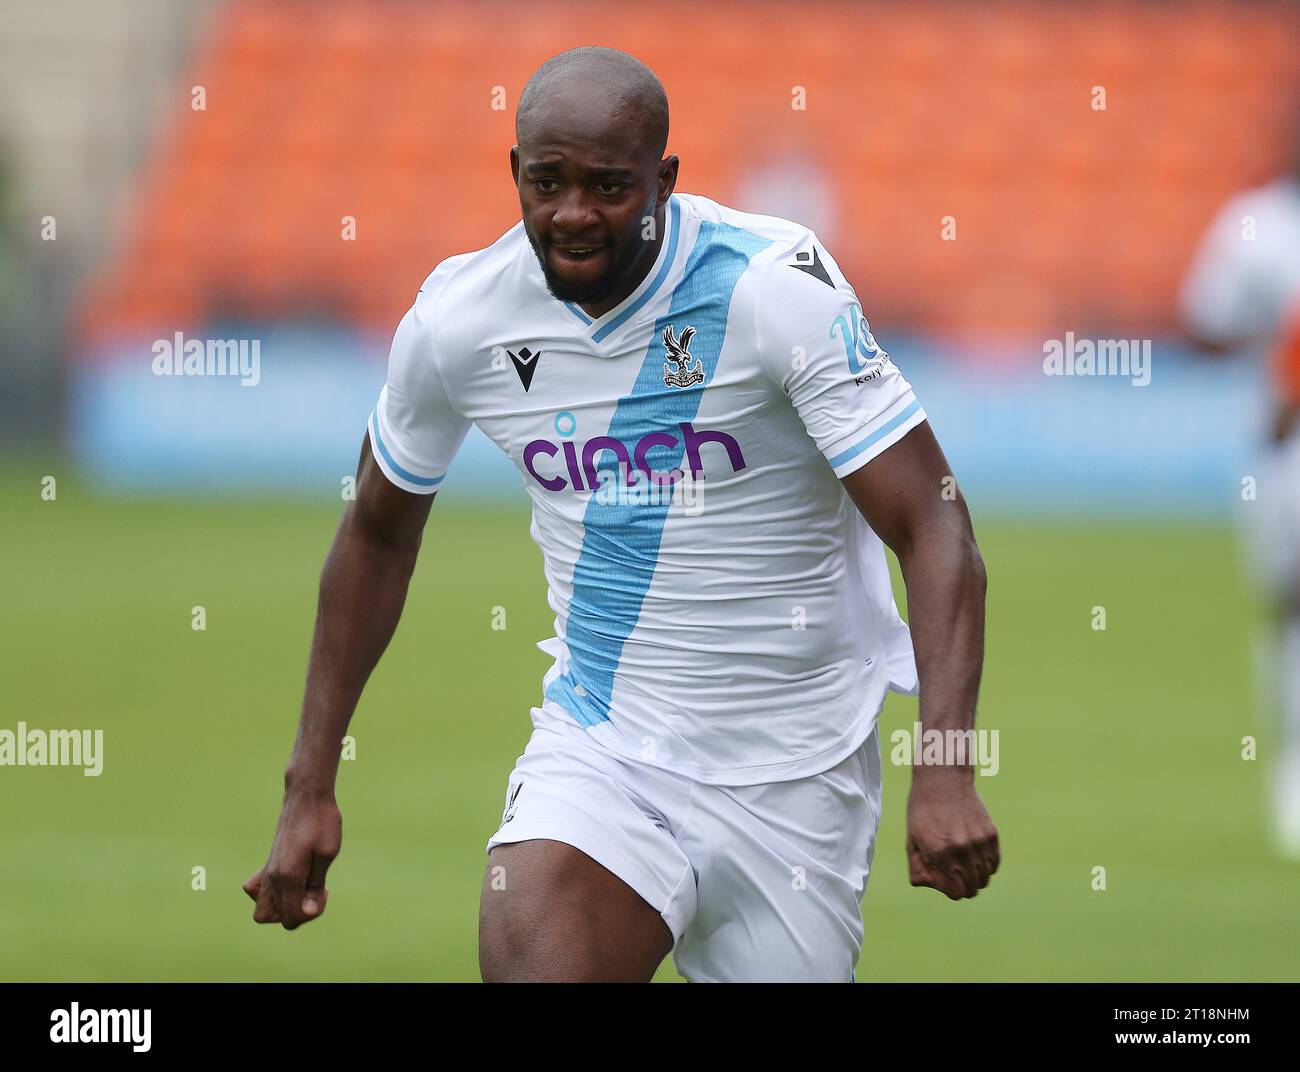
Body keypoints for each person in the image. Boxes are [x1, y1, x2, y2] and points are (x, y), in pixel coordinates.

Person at [244, 45, 998, 982]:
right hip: (605, 751)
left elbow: (936, 526)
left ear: (664, 182)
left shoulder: (772, 290)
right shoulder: (460, 322)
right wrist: (308, 784)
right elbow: (376, 532)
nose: (572, 214)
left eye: (608, 186)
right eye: (548, 182)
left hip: (797, 773)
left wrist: (947, 763)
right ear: (514, 174)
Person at [1180, 131, 1300, 856]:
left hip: (1281, 435)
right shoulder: (1255, 223)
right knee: (1290, 606)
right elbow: (1204, 323)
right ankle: (1292, 766)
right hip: (1286, 450)